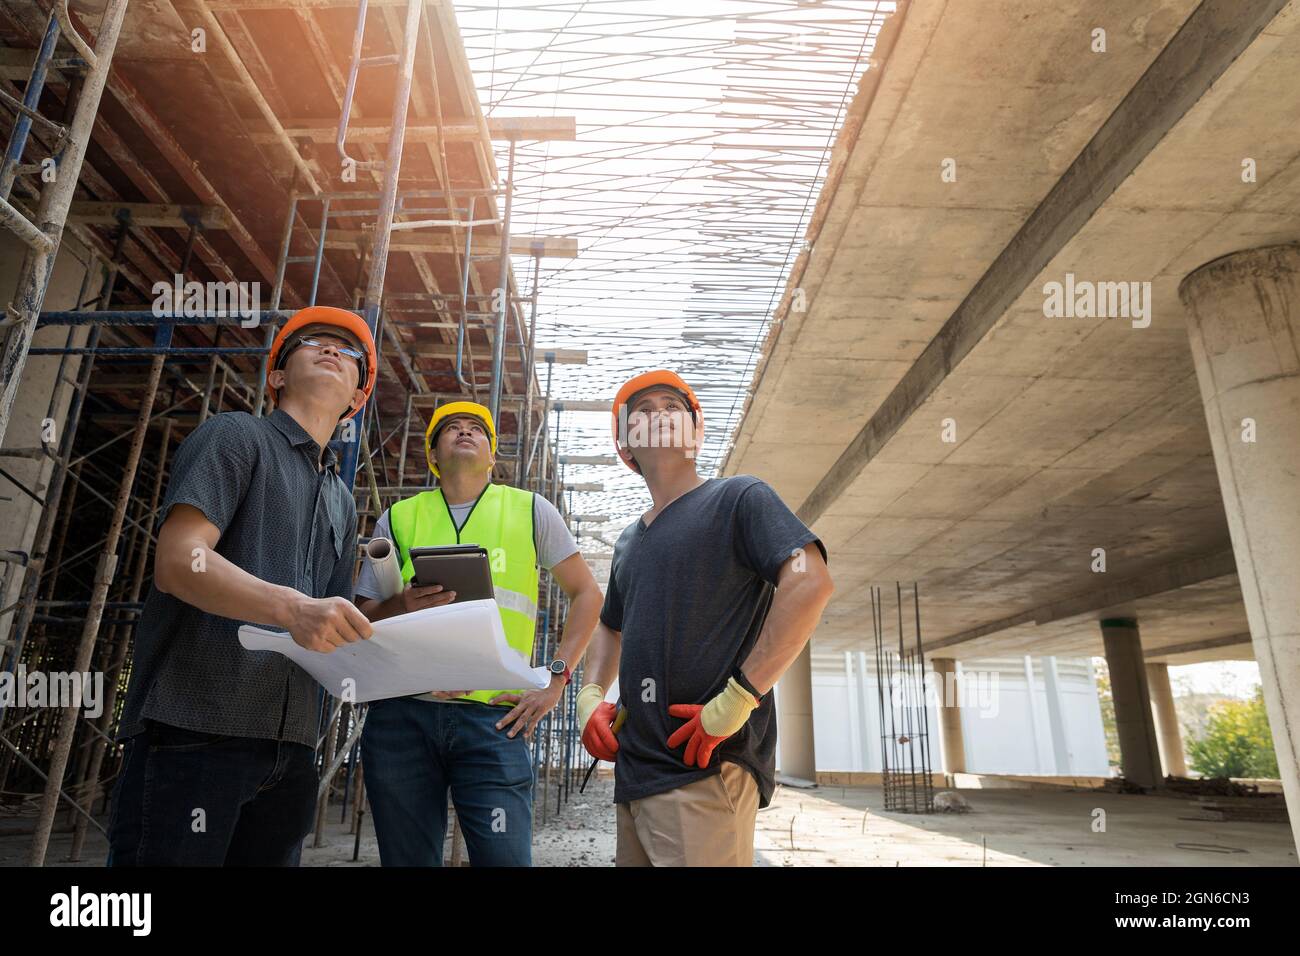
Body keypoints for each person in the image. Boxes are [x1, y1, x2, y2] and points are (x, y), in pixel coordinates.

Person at [107, 305, 377, 866]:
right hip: (196, 730)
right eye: (312, 343)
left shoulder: (341, 500)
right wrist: (292, 608)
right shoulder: (235, 438)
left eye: (348, 352)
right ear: (276, 376)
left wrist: (408, 615)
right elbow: (181, 562)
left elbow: (335, 620)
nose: (332, 350)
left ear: (356, 397)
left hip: (293, 749)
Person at [577, 370, 834, 866]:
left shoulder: (738, 498)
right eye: (643, 410)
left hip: (705, 766)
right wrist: (590, 694)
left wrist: (739, 697)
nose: (659, 414)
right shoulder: (629, 541)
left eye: (673, 407)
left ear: (696, 433)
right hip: (635, 771)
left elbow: (810, 583)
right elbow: (611, 625)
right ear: (626, 446)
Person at [354, 401, 602, 866]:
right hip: (403, 718)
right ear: (432, 454)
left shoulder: (531, 511)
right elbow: (364, 616)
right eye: (451, 429)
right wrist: (401, 604)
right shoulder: (399, 518)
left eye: (477, 430)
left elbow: (587, 594)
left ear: (492, 457)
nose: (465, 433)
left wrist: (555, 680)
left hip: (494, 719)